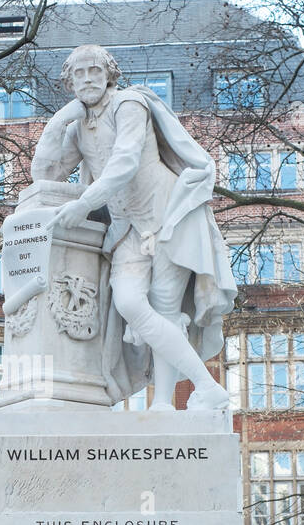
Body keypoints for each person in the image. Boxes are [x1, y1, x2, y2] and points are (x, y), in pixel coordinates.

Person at [30, 44, 237, 410]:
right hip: (126, 229)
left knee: (167, 309)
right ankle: (207, 386)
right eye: (78, 74)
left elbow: (124, 161)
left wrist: (84, 205)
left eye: (95, 70)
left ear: (109, 74)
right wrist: (58, 121)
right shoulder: (78, 125)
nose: (88, 79)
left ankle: (163, 405)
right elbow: (45, 174)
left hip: (167, 217)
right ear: (70, 82)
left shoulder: (129, 103)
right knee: (129, 302)